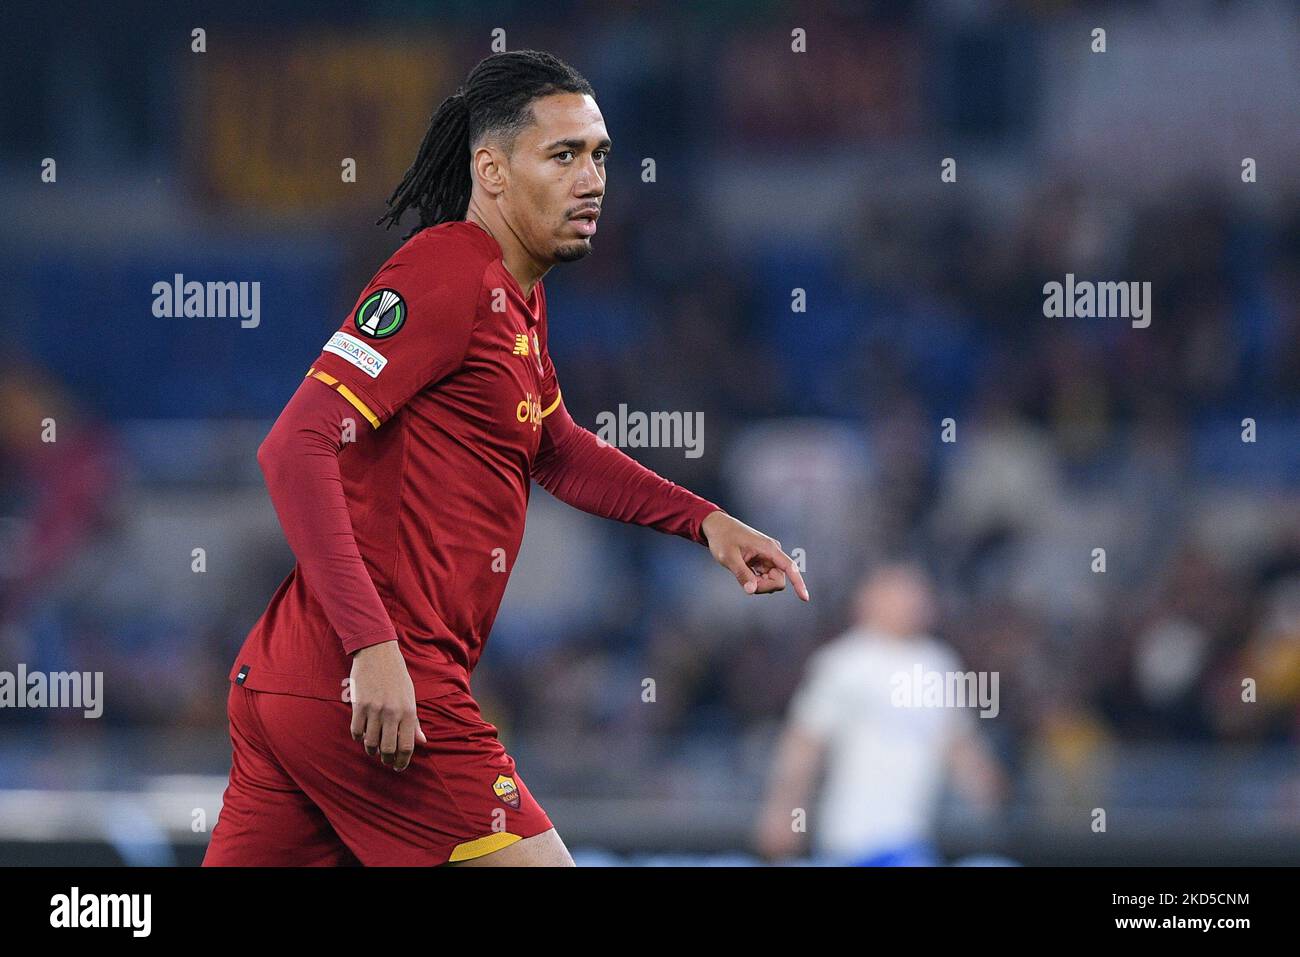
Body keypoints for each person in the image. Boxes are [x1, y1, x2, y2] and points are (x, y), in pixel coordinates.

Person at [203, 50, 808, 868]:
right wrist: (372, 647)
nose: (592, 179)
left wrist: (704, 520)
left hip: (293, 683)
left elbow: (557, 448)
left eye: (599, 156)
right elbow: (294, 445)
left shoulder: (515, 294)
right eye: (563, 156)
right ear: (490, 170)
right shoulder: (444, 271)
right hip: (379, 684)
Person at [754, 563, 1001, 866]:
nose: (912, 601)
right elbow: (805, 743)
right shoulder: (844, 663)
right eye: (900, 592)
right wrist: (783, 809)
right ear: (869, 599)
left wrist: (986, 787)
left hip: (909, 834)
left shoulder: (938, 664)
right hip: (848, 837)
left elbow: (957, 741)